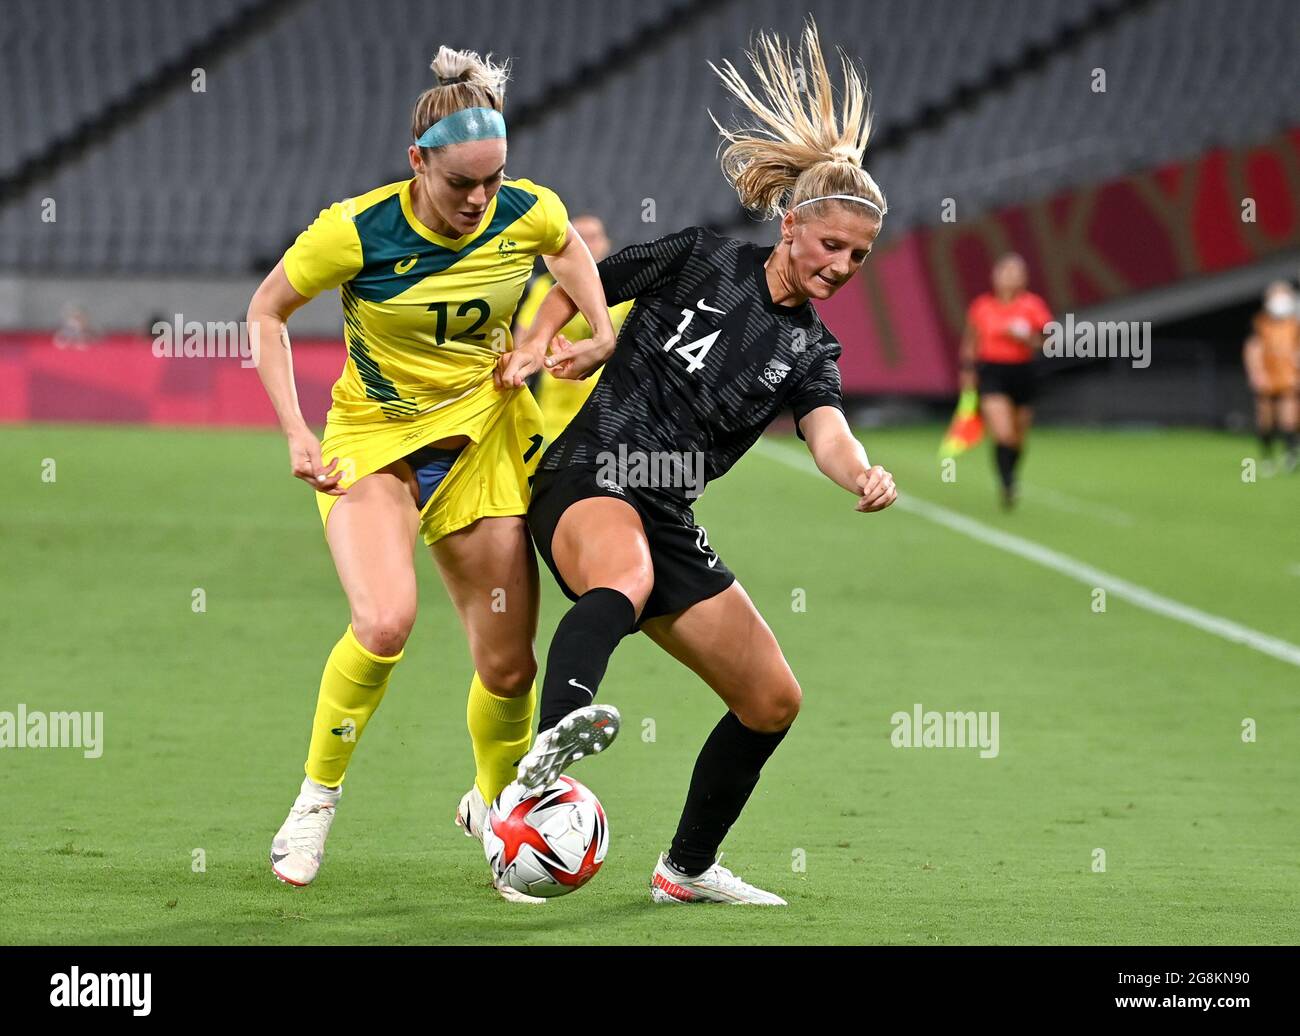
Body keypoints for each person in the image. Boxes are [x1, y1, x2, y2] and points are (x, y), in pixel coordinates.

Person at [495, 20, 897, 905]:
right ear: (792, 225)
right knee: (624, 575)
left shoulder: (811, 350)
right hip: (590, 471)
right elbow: (586, 277)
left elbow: (827, 430)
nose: (841, 266)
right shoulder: (703, 257)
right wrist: (537, 344)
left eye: (859, 257)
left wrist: (860, 471)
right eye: (830, 245)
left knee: (772, 699)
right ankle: (545, 763)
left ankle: (686, 869)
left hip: (669, 511)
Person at [245, 45, 615, 901]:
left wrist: (594, 327)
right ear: (418, 163)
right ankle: (316, 800)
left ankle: (497, 814)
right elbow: (266, 312)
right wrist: (296, 429)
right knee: (384, 621)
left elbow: (566, 251)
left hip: (480, 448)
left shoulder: (527, 211)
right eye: (461, 185)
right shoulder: (354, 230)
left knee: (510, 670)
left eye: (493, 181)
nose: (479, 201)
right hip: (374, 446)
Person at [514, 213, 633, 443]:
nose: (589, 244)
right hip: (556, 399)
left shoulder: (627, 290)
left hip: (607, 401)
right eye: (582, 238)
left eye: (594, 237)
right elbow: (525, 337)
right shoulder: (547, 286)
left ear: (607, 242)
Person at [958, 253, 1053, 508]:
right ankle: (1007, 481)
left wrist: (1026, 338)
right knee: (1004, 433)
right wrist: (967, 371)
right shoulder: (983, 306)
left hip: (1023, 371)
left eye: (1016, 272)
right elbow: (971, 341)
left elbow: (1048, 340)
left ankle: (1011, 475)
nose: (1010, 277)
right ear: (995, 276)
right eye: (1005, 271)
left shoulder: (1032, 306)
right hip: (992, 372)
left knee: (1019, 437)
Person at [1242, 281, 1299, 473]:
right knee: (1266, 420)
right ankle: (1267, 457)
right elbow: (1252, 349)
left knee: (1289, 419)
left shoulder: (1294, 325)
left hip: (1288, 378)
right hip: (1267, 378)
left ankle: (1290, 455)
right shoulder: (1261, 323)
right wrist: (1256, 373)